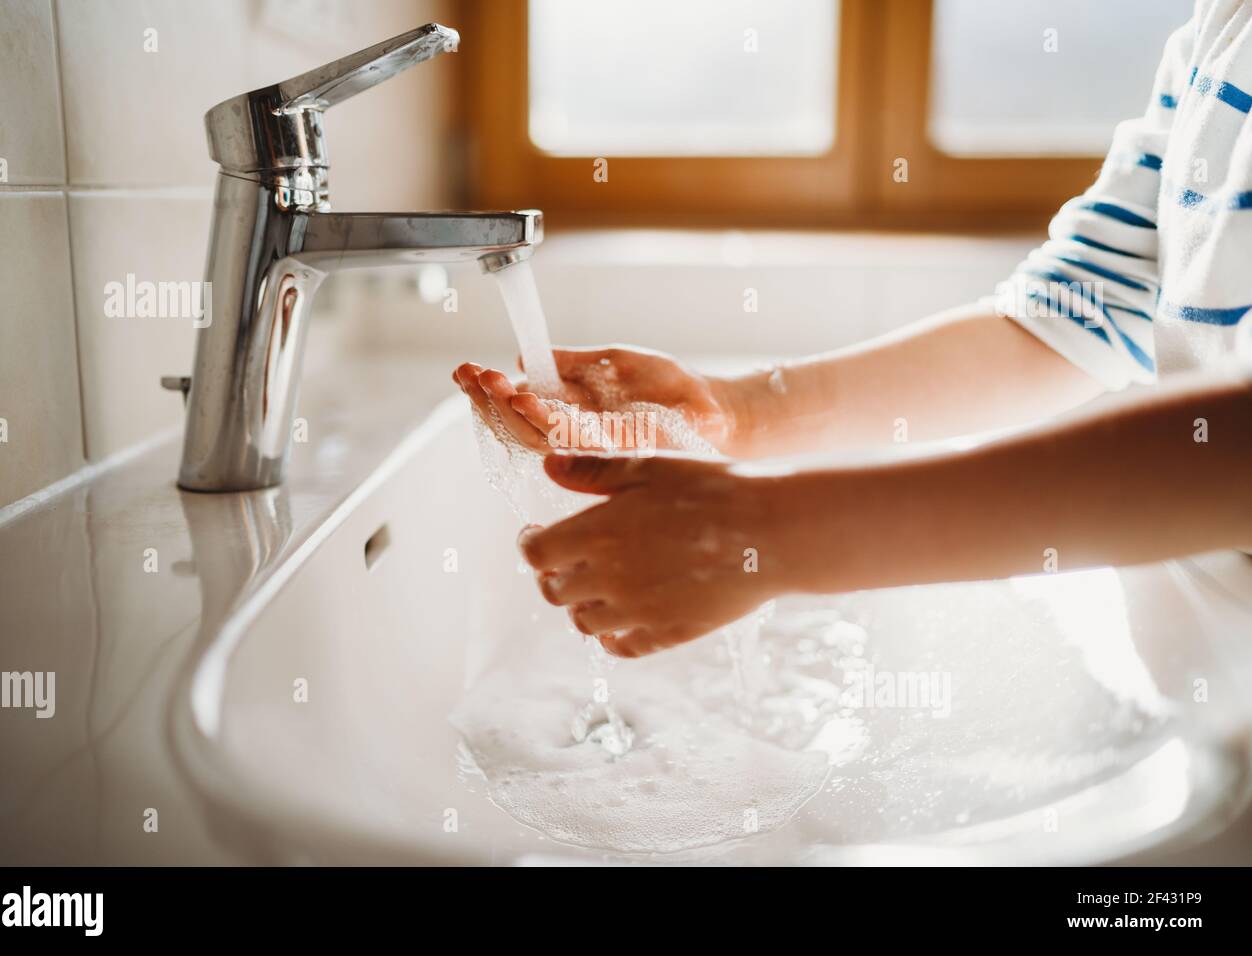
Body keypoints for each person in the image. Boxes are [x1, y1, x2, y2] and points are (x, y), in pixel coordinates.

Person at [454, 0, 1252, 658]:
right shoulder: (1221, 26)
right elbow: (1081, 312)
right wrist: (734, 414)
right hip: (1203, 673)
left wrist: (773, 533)